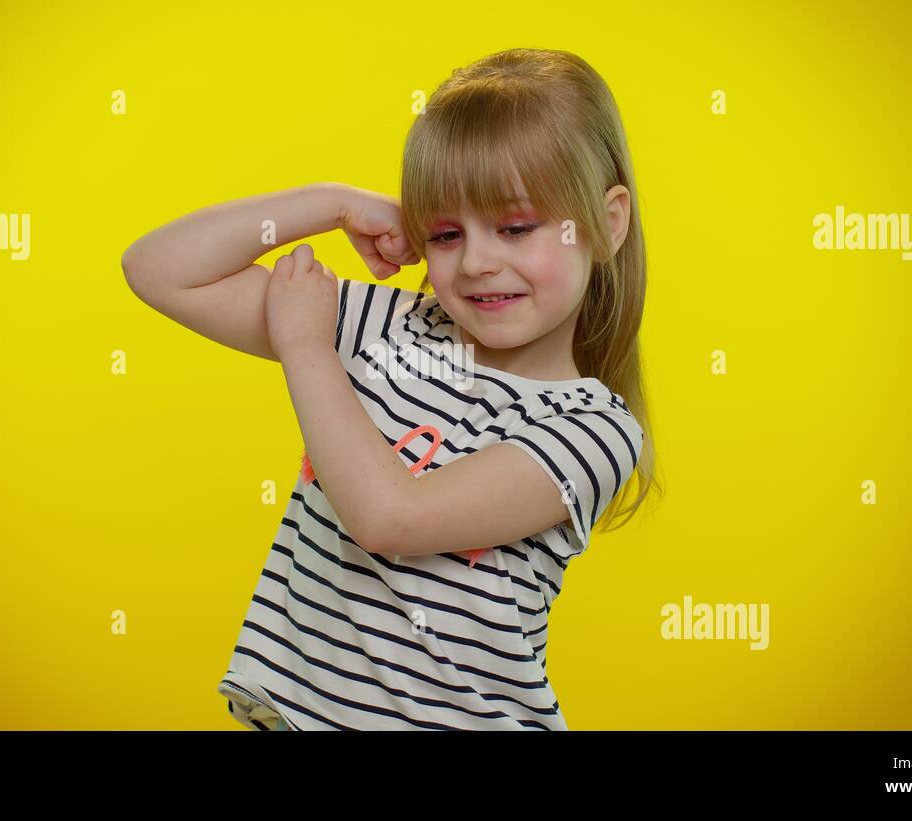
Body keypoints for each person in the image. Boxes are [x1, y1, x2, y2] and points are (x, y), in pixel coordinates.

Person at [122, 47, 657, 730]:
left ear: (607, 223)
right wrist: (335, 204)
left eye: (516, 227)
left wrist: (307, 346)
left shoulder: (593, 431)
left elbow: (390, 519)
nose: (477, 261)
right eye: (445, 232)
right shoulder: (389, 328)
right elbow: (158, 269)